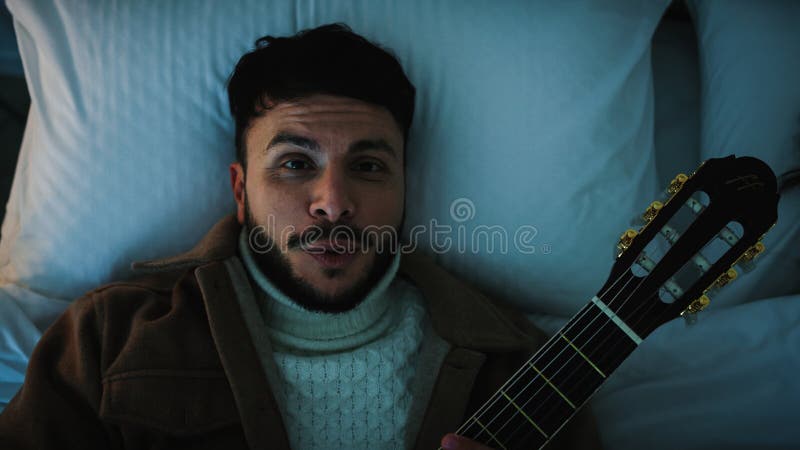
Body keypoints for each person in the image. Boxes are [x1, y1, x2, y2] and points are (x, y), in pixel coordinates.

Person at [0, 23, 601, 450]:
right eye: (294, 164)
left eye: (367, 166)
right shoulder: (106, 341)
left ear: (404, 189)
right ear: (240, 192)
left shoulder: (525, 370)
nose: (334, 202)